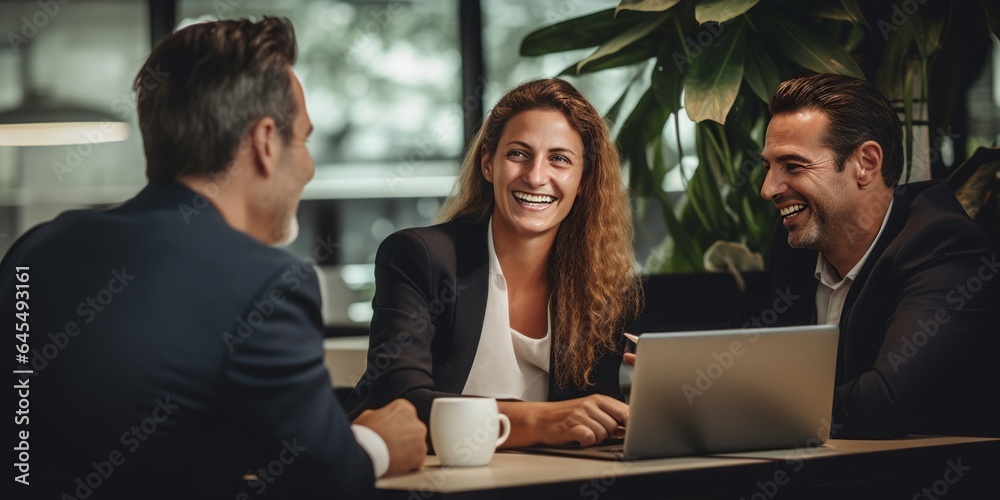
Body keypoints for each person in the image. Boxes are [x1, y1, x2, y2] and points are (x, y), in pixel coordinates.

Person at [1, 18, 425, 499]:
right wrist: (378, 444)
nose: (308, 167)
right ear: (265, 141)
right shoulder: (266, 283)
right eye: (303, 140)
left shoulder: (35, 250)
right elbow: (321, 477)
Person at [343, 78, 642, 448]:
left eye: (560, 159)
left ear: (583, 180)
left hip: (547, 474)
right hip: (420, 470)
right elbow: (400, 402)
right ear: (488, 163)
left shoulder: (603, 286)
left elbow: (593, 420)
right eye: (518, 154)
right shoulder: (419, 256)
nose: (536, 176)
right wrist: (541, 420)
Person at [751, 73, 1000, 438]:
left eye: (793, 165)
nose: (768, 188)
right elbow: (755, 367)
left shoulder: (943, 244)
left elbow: (885, 400)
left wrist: (745, 410)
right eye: (768, 167)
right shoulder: (795, 243)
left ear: (866, 163)